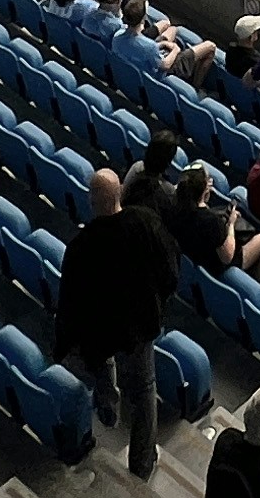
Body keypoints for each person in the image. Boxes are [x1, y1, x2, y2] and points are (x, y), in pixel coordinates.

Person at [56, 167, 179, 463]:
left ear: (91, 202)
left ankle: (107, 401)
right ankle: (142, 458)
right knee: (145, 387)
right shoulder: (146, 222)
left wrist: (67, 341)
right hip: (138, 327)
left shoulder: (79, 248)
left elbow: (69, 301)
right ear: (120, 191)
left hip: (99, 332)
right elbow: (170, 273)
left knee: (103, 366)